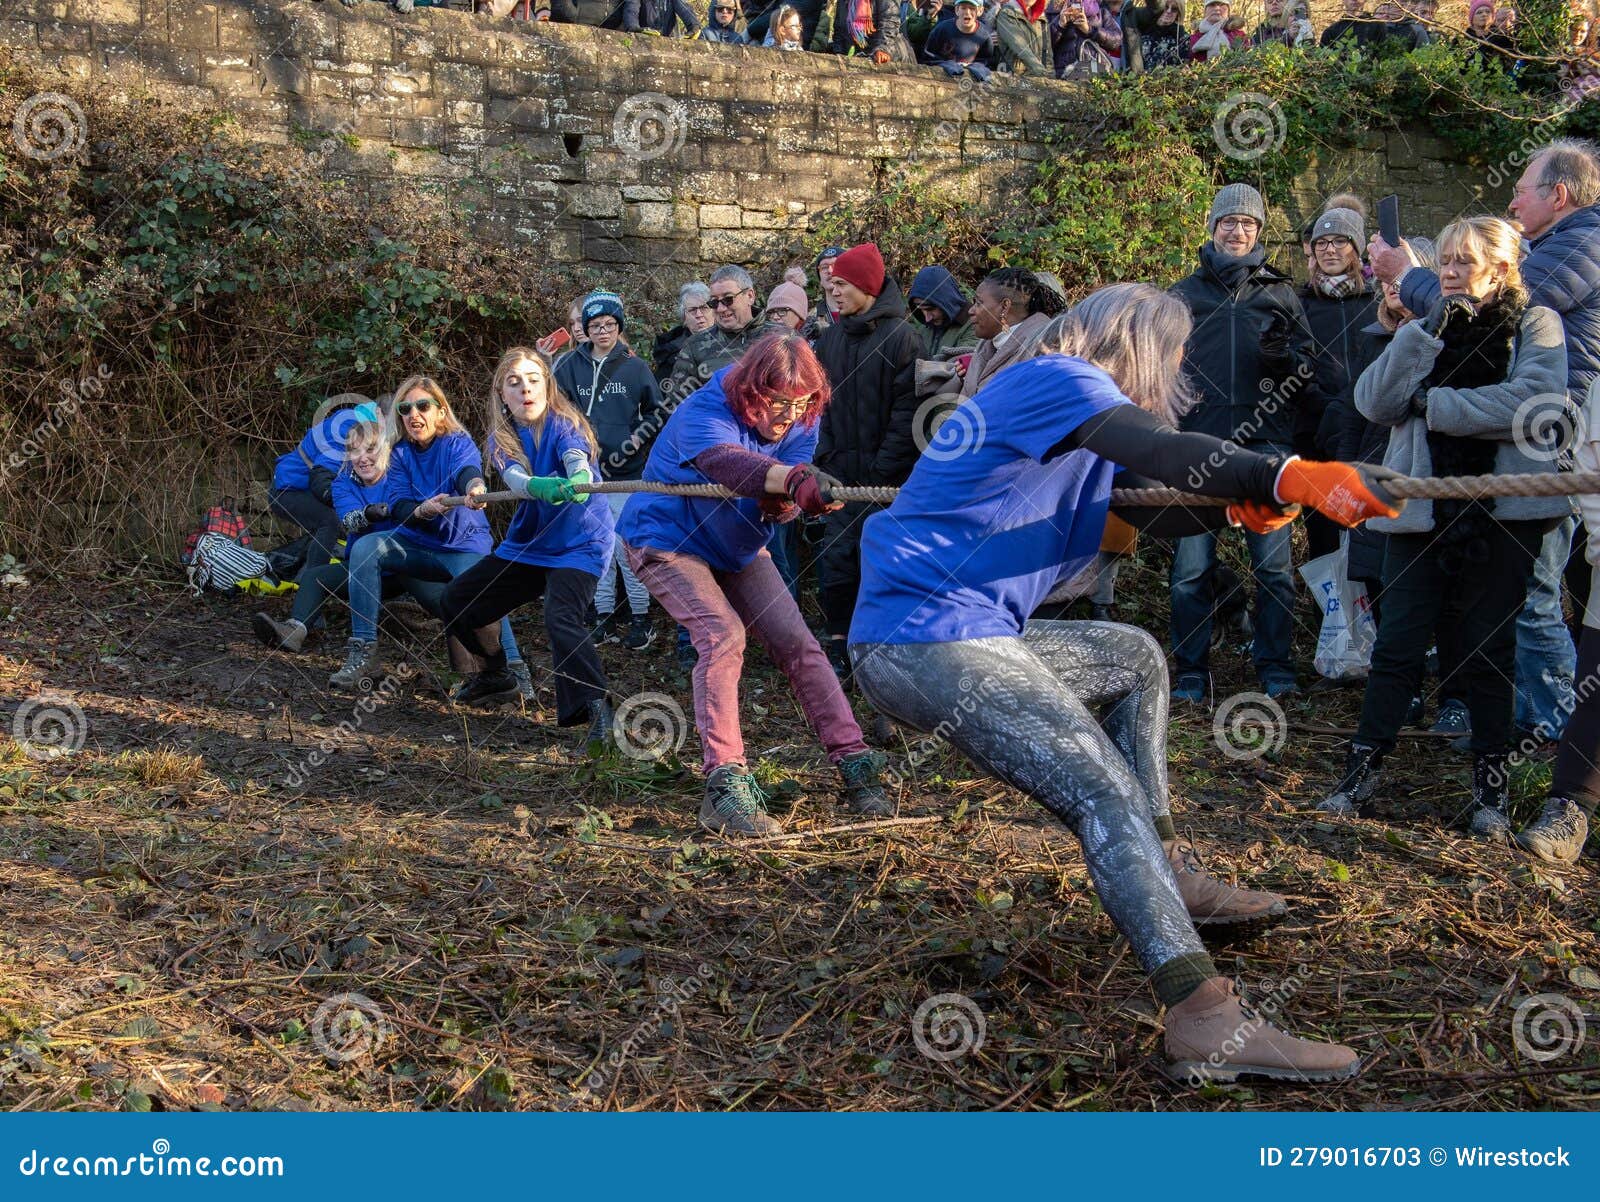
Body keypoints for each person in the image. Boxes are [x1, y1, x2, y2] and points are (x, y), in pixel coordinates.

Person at [851, 283, 1401, 1083]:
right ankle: (1202, 1016)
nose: (1174, 374)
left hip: (960, 632)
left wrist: (1235, 506)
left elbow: (1154, 503)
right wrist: (1285, 475)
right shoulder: (1061, 381)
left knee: (1134, 656)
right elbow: (1164, 452)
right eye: (1172, 357)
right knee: (1102, 792)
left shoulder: (1068, 422)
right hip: (928, 635)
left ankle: (1163, 870)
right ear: (1138, 344)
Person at [1320, 217, 1568, 840]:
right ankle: (1358, 776)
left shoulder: (1537, 326)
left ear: (1502, 269)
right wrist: (1421, 334)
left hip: (1507, 514)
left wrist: (1433, 407)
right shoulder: (1426, 325)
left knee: (1489, 652)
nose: (1450, 271)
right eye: (1446, 260)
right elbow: (1372, 401)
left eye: (1464, 261)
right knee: (1397, 647)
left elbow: (1529, 402)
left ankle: (1491, 793)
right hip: (1420, 510)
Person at [1372, 139, 1599, 800]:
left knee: (1531, 599)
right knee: (1524, 602)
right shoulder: (1569, 240)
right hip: (1534, 450)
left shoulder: (1578, 248)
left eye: (1523, 187)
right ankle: (1530, 731)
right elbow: (1379, 396)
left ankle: (1558, 741)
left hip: (1549, 452)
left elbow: (1504, 300)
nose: (1512, 198)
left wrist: (1408, 275)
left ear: (1558, 194)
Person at [616, 334, 892, 835]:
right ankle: (724, 784)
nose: (789, 415)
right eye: (778, 403)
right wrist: (790, 480)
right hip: (666, 539)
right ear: (751, 391)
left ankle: (854, 760)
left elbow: (778, 501)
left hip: (737, 546)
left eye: (801, 403)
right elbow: (728, 464)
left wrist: (796, 499)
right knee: (723, 635)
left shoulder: (803, 419)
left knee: (799, 644)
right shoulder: (704, 408)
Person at [1167, 183, 1321, 704]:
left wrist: (1286, 361)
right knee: (1191, 569)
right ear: (1211, 228)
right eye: (1228, 222)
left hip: (1266, 449)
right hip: (1198, 446)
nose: (1238, 231)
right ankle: (1190, 669)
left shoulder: (1279, 294)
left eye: (1248, 224)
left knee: (1273, 567)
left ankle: (1274, 664)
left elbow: (1309, 372)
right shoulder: (1182, 294)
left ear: (1260, 232)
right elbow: (1157, 368)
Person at [439, 349, 617, 747]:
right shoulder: (500, 437)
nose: (525, 389)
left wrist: (577, 478)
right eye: (514, 382)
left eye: (534, 379)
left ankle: (597, 713)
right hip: (531, 543)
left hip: (581, 542)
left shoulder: (565, 421)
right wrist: (538, 486)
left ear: (547, 385)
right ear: (502, 393)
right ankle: (497, 675)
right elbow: (515, 477)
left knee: (561, 617)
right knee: (458, 600)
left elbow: (577, 458)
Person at [333, 378, 529, 698]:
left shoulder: (457, 441)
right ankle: (362, 652)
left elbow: (467, 470)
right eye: (406, 408)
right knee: (367, 547)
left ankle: (516, 671)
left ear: (440, 412)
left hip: (462, 544)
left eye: (423, 406)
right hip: (417, 544)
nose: (414, 414)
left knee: (486, 596)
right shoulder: (398, 453)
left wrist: (474, 488)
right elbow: (397, 503)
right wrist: (420, 511)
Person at [812, 243, 922, 685]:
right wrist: (825, 459)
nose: (833, 291)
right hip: (838, 477)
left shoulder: (902, 338)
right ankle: (838, 646)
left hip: (886, 483)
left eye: (841, 284)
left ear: (866, 286)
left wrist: (883, 470)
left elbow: (907, 411)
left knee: (883, 564)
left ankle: (884, 655)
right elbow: (818, 406)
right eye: (831, 284)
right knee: (835, 562)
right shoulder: (831, 338)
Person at [554, 291, 663, 653]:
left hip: (626, 472)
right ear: (584, 328)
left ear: (619, 327)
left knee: (625, 547)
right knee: (596, 544)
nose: (603, 332)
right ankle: (602, 615)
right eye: (596, 325)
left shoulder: (635, 366)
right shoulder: (570, 365)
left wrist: (636, 440)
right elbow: (559, 411)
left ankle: (641, 617)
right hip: (585, 471)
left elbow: (656, 412)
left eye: (610, 325)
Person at [1298, 205, 1378, 562]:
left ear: (1356, 248)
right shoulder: (1298, 303)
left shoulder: (1378, 302)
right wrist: (1323, 405)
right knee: (1324, 545)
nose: (1330, 249)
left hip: (1367, 436)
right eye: (1322, 243)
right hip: (1315, 436)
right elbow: (1292, 366)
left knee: (1369, 540)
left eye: (1340, 241)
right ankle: (1327, 618)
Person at [268, 397, 380, 577]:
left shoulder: (352, 420)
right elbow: (321, 475)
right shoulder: (349, 429)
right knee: (330, 521)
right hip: (287, 490)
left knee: (325, 524)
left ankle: (301, 575)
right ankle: (314, 582)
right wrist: (343, 503)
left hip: (294, 485)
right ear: (380, 414)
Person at [664, 266, 781, 409]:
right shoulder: (695, 346)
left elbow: (806, 394)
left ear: (750, 296)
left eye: (728, 299)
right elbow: (676, 406)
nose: (720, 308)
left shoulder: (783, 338)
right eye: (714, 302)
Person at [960, 268, 1067, 398]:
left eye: (978, 303)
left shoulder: (1042, 351)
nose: (971, 310)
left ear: (1005, 306)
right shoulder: (987, 345)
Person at [907, 265, 978, 356]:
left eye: (930, 309)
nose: (927, 318)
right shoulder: (925, 329)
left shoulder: (975, 325)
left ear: (947, 301)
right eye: (920, 309)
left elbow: (961, 363)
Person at [652, 282, 714, 383]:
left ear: (714, 312)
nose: (699, 314)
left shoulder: (732, 341)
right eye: (692, 310)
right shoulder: (670, 353)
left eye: (704, 308)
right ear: (684, 318)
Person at [922, 0, 995, 76]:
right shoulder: (941, 29)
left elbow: (986, 62)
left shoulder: (984, 36)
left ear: (980, 11)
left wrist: (972, 66)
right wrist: (945, 64)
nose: (967, 12)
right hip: (940, 77)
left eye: (972, 8)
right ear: (957, 10)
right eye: (963, 8)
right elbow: (927, 58)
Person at [828, 0, 917, 59]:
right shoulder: (843, 2)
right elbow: (839, 31)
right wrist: (838, 55)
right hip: (860, 58)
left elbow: (889, 22)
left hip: (892, 54)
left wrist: (883, 49)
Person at [994, 0, 1052, 75]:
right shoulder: (1007, 14)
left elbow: (1047, 55)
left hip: (1038, 79)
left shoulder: (1042, 19)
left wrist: (1051, 78)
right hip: (1012, 79)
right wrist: (1043, 73)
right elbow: (1020, 46)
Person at [1128, 0, 1187, 68]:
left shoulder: (1182, 38)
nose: (1168, 11)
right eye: (1166, 7)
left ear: (1179, 13)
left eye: (1174, 9)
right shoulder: (1144, 26)